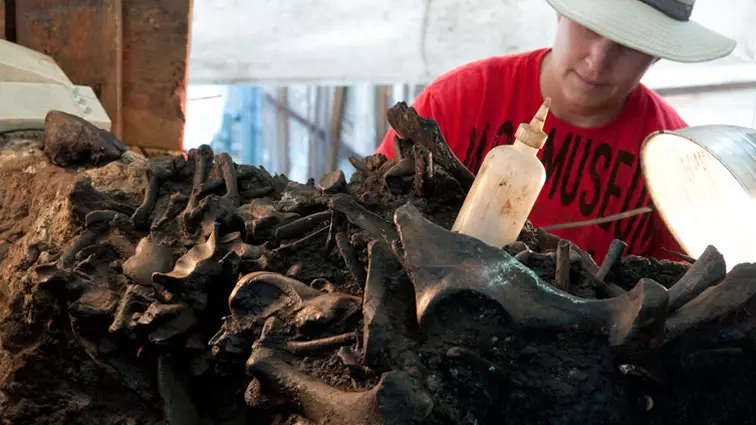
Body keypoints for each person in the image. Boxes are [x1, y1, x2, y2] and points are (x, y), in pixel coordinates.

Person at [375, 0, 736, 264]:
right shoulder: (458, 100)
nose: (598, 60)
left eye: (629, 45)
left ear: (658, 54)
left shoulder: (677, 167)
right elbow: (373, 206)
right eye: (591, 28)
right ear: (563, 11)